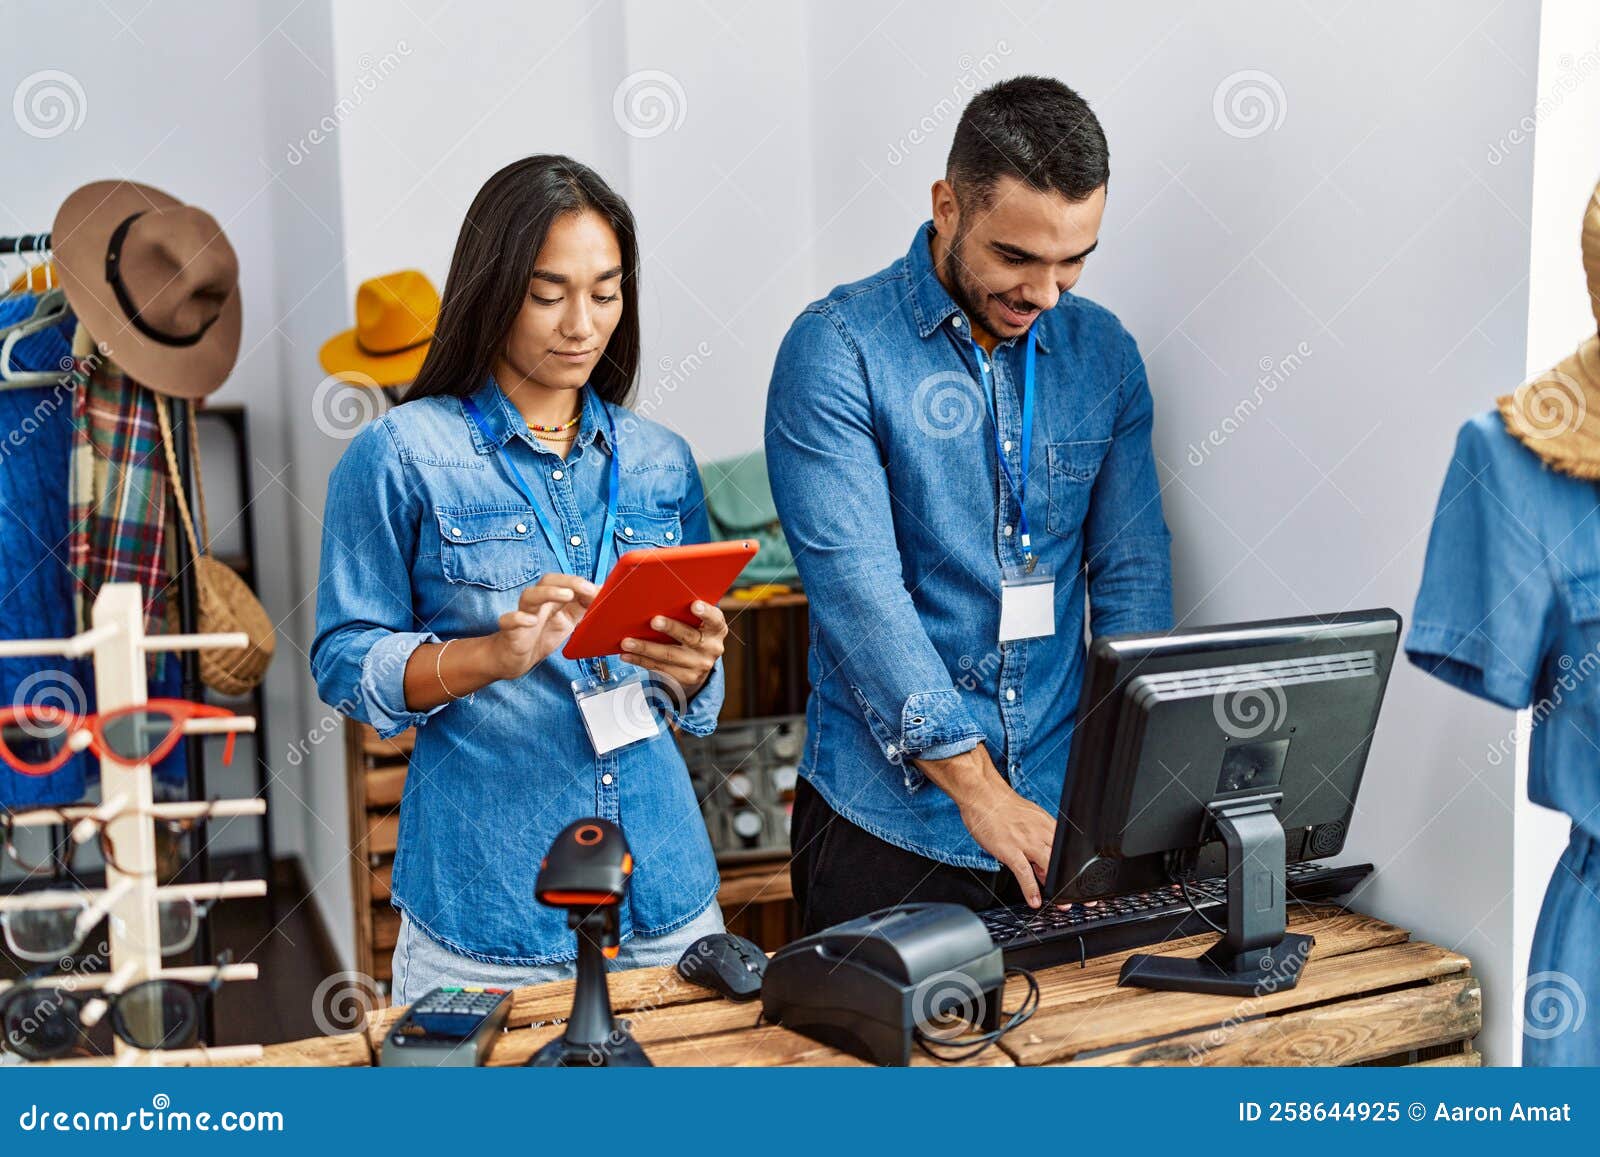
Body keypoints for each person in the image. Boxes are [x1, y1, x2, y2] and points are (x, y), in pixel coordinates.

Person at [312, 155, 727, 1002]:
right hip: (488, 914)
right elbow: (342, 661)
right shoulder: (400, 456)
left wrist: (697, 669)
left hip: (668, 899)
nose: (582, 323)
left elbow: (687, 685)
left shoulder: (662, 462)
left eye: (606, 293)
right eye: (549, 294)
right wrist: (485, 658)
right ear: (494, 289)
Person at [766, 77, 1173, 933]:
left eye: (1074, 260)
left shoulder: (1102, 353)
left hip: (1066, 822)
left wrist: (1126, 801)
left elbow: (1132, 579)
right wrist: (980, 790)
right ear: (947, 206)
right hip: (890, 828)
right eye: (1017, 258)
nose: (1046, 293)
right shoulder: (836, 352)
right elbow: (860, 598)